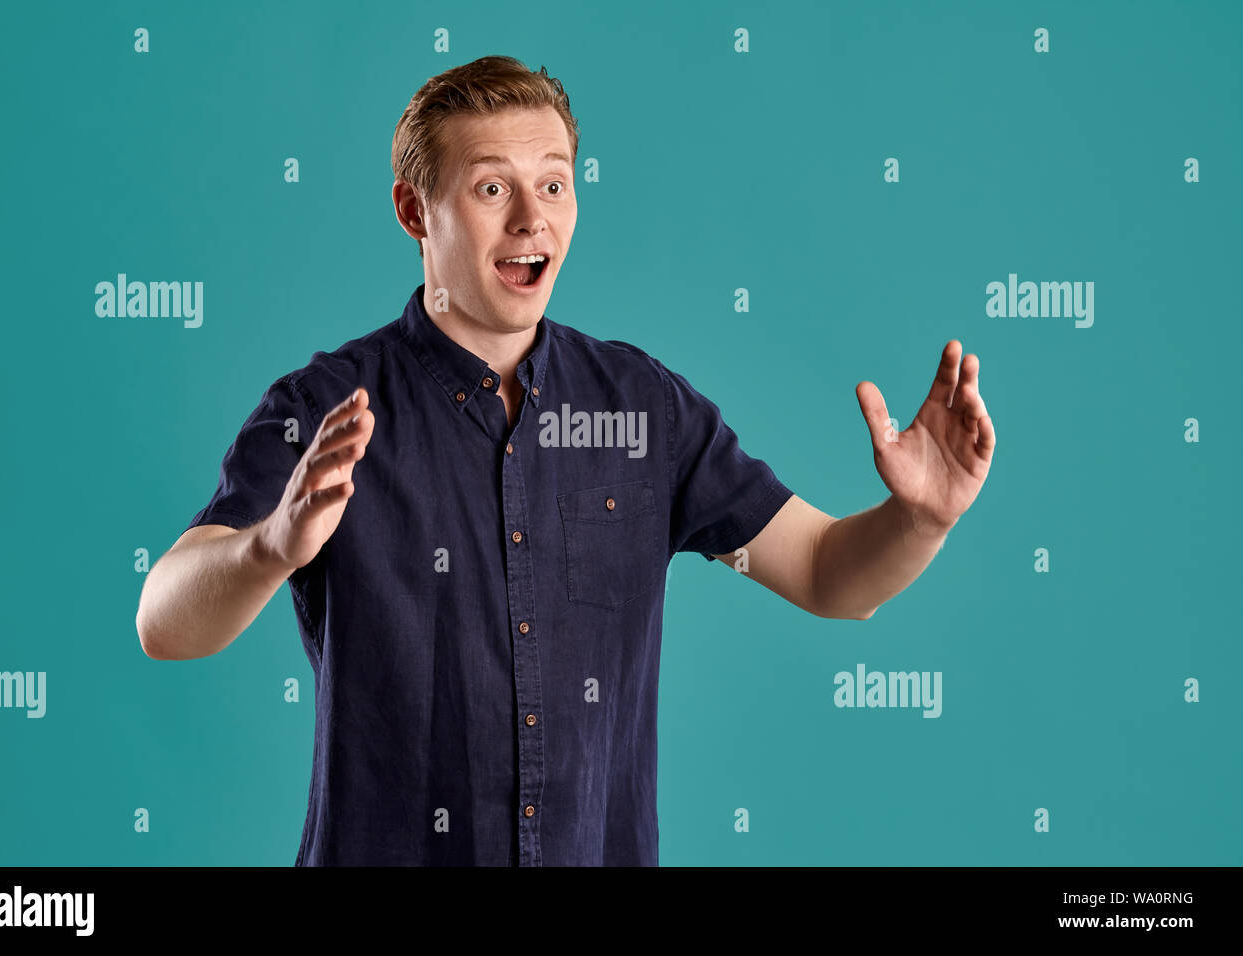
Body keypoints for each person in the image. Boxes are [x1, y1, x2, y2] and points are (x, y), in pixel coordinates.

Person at [135, 55, 996, 866]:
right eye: (490, 188)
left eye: (552, 183)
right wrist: (270, 546)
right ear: (413, 212)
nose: (531, 218)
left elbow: (824, 572)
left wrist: (918, 520)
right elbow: (164, 622)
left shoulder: (642, 406)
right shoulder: (324, 408)